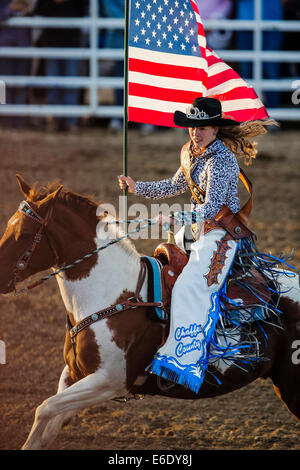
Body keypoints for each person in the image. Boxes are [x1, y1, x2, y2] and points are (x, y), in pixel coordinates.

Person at [118, 96, 279, 393]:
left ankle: (184, 358)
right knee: (162, 271)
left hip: (222, 233)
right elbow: (174, 185)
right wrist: (136, 186)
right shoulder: (191, 153)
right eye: (193, 127)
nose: (196, 133)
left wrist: (176, 217)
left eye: (203, 127)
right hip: (196, 230)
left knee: (191, 284)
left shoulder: (221, 160)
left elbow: (212, 207)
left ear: (216, 129)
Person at [34, 0, 86, 131]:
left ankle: (71, 121)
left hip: (71, 39)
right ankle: (55, 119)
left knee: (71, 84)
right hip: (51, 40)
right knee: (53, 83)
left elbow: (83, 9)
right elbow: (40, 9)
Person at [236, 0, 284, 108]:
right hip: (246, 24)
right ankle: (249, 115)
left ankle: (272, 114)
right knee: (247, 73)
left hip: (272, 23)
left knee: (271, 72)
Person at [0, 0, 34, 128]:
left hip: (23, 45)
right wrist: (10, 9)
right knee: (4, 85)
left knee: (21, 84)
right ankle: (6, 119)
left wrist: (26, 9)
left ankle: (18, 121)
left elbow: (36, 15)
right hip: (5, 45)